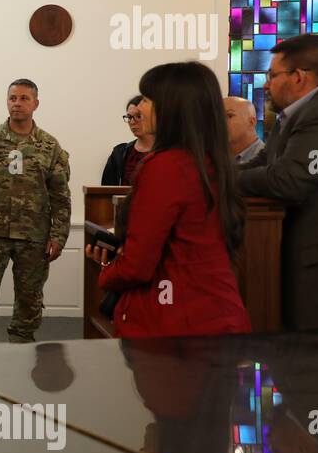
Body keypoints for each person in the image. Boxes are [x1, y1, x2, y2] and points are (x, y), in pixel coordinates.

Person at [87, 62, 250, 339]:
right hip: (214, 312)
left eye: (147, 100)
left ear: (171, 106)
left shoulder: (166, 166)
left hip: (174, 321)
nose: (139, 109)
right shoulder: (212, 161)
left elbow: (138, 266)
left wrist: (107, 272)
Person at [238, 33, 318, 330]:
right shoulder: (300, 114)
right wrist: (214, 177)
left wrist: (221, 183)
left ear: (298, 77)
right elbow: (262, 164)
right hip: (310, 262)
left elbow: (291, 179)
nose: (266, 84)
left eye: (272, 75)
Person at [0, 79, 70, 343]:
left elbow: (61, 197)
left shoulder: (50, 146)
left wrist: (58, 236)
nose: (17, 104)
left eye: (24, 98)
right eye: (13, 98)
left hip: (34, 237)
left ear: (35, 103)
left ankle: (21, 347)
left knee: (29, 296)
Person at [101, 95, 154, 185]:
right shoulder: (119, 153)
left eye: (138, 116)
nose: (132, 122)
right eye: (129, 117)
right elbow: (106, 191)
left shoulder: (166, 152)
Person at [223, 96, 265, 165]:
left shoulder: (269, 160)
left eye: (229, 116)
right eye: (218, 116)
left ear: (252, 122)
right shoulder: (215, 158)